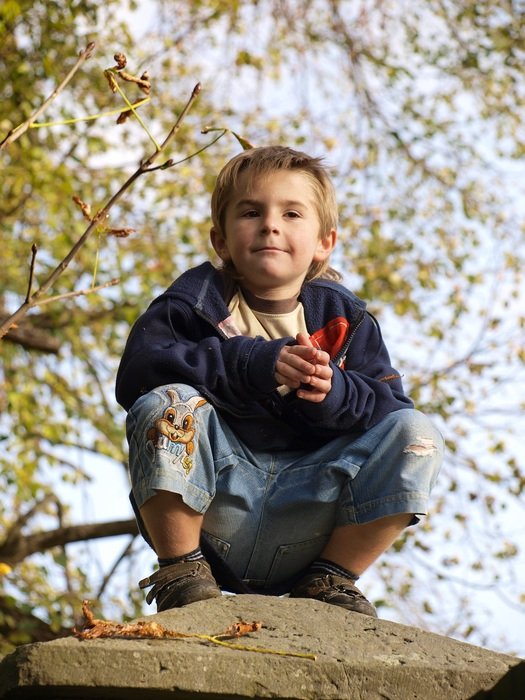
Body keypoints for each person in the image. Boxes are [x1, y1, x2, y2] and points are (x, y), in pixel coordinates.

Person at [115, 145, 443, 617]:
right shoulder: (192, 302)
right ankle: (180, 569)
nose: (271, 224)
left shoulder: (345, 321)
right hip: (216, 503)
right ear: (221, 240)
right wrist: (254, 364)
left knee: (418, 436)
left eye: (292, 213)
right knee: (167, 404)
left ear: (324, 242)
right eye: (251, 211)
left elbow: (389, 405)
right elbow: (140, 372)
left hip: (309, 509)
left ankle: (332, 576)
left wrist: (336, 392)